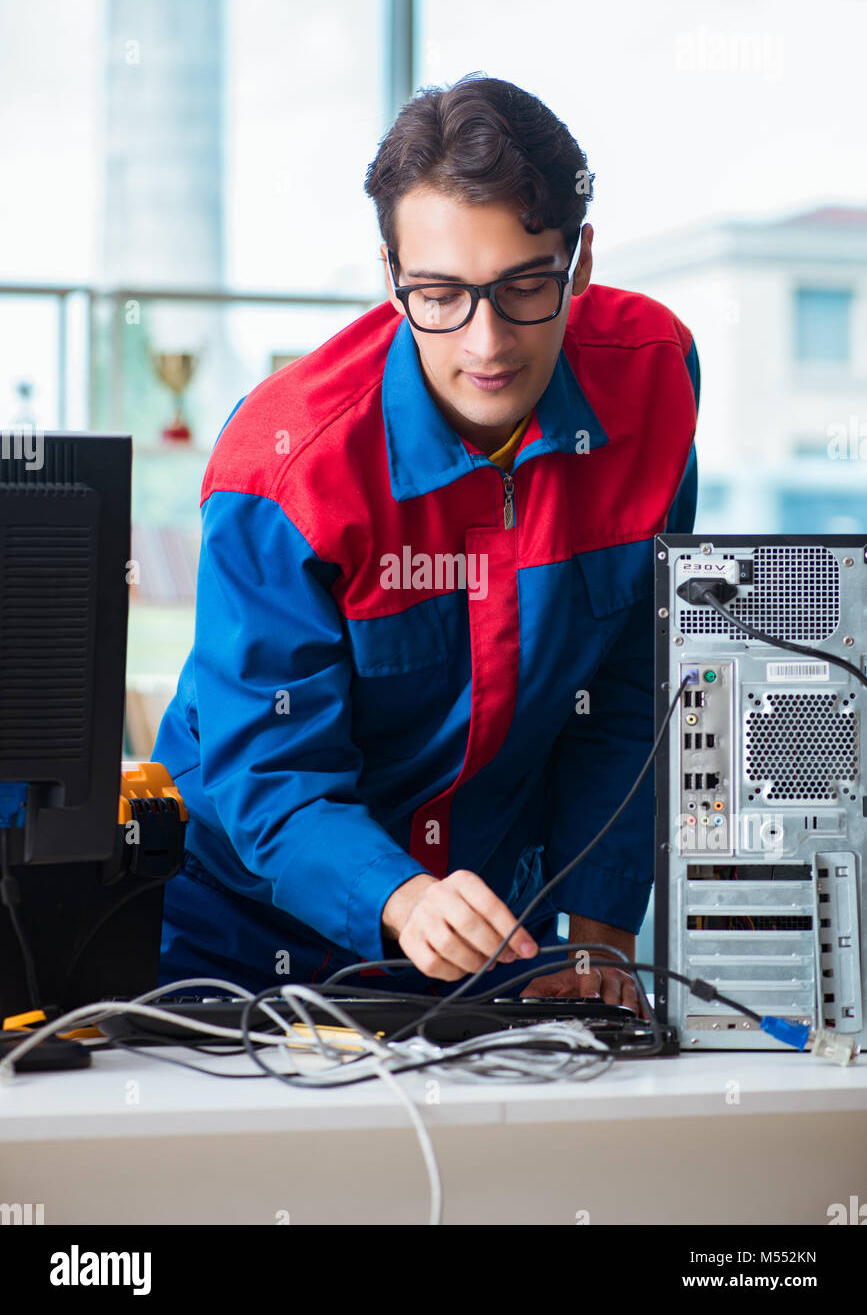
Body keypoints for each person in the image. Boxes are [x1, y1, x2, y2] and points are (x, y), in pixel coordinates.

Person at [151, 74, 700, 1012]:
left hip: (497, 922)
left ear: (580, 262)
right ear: (390, 273)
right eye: (440, 294)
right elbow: (273, 769)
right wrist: (398, 896)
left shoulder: (654, 379)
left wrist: (600, 940)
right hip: (244, 924)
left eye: (526, 286)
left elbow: (625, 691)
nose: (485, 343)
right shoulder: (283, 467)